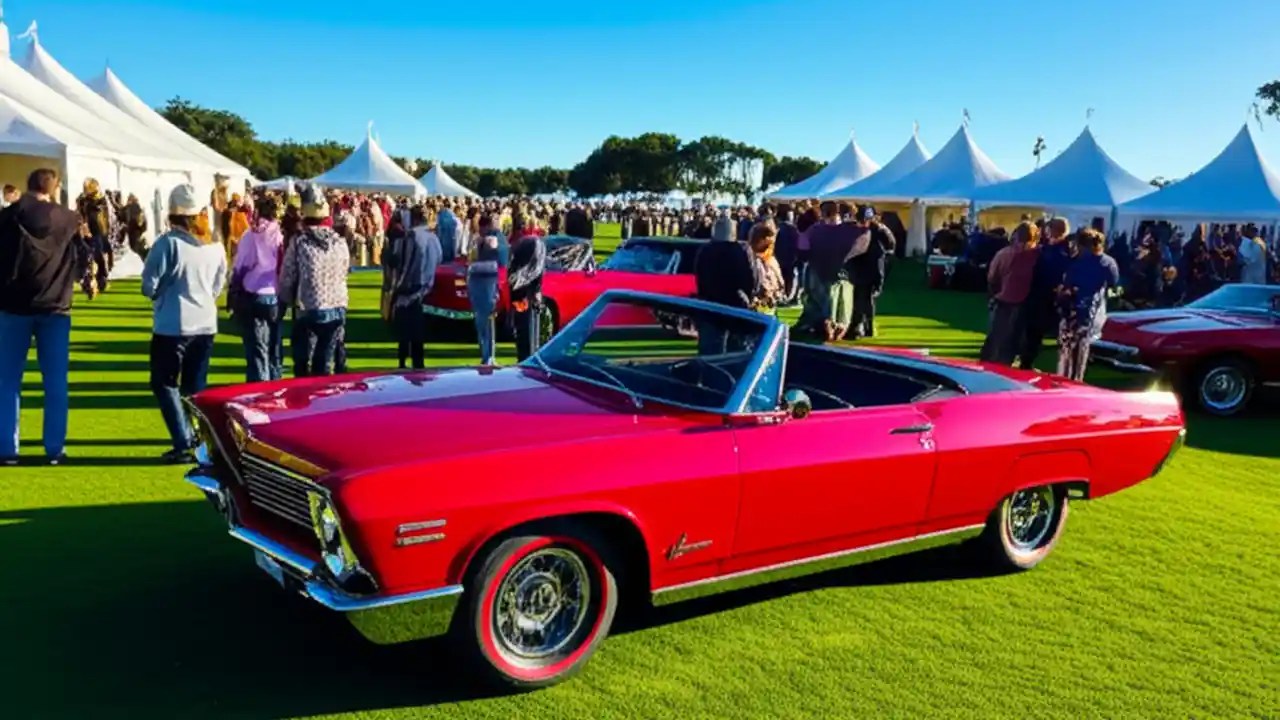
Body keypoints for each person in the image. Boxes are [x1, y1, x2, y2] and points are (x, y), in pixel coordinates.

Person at [0, 169, 84, 466]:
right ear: (54, 187)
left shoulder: (8, 217)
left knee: (8, 380)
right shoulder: (69, 219)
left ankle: (7, 447)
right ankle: (54, 447)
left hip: (14, 306)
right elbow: (82, 255)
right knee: (55, 381)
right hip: (56, 306)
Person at [141, 184, 227, 464]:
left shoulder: (167, 243)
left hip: (172, 324)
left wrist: (160, 292)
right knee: (195, 386)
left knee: (165, 383)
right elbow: (217, 285)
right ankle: (201, 440)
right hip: (205, 322)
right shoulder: (215, 244)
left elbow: (149, 285)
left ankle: (182, 440)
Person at [280, 185, 350, 377]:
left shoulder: (300, 240)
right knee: (325, 360)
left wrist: (283, 302)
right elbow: (345, 270)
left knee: (302, 361)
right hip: (337, 304)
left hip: (309, 306)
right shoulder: (339, 241)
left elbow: (288, 274)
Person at [231, 196, 285, 382]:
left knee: (257, 350)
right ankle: (276, 388)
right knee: (274, 349)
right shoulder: (279, 234)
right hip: (275, 295)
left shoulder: (251, 235)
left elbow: (241, 266)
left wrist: (234, 289)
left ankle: (259, 389)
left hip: (253, 294)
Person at [1056, 229, 1119, 382]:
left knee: (1067, 348)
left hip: (1071, 309)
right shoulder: (1108, 262)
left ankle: (1063, 377)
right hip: (1092, 310)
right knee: (1082, 347)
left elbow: (1067, 284)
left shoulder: (1076, 262)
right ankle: (1076, 379)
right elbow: (1113, 282)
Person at [388, 207, 441, 370]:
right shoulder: (433, 238)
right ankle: (418, 365)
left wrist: (397, 288)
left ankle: (404, 364)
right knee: (418, 334)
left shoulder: (411, 236)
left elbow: (404, 263)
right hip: (426, 288)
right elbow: (439, 258)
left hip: (410, 288)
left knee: (405, 333)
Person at [981, 221, 1040, 365]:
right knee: (1015, 340)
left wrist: (995, 293)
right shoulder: (1037, 255)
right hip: (1025, 302)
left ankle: (989, 365)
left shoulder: (1004, 253)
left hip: (1002, 299)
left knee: (996, 338)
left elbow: (992, 278)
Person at [1019, 217, 1072, 369]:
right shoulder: (1049, 248)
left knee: (1039, 332)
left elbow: (1055, 273)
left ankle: (1028, 362)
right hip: (1039, 295)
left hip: (1048, 297)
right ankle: (1026, 362)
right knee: (1032, 332)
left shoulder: (1061, 251)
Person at [850, 207, 896, 338]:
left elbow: (888, 249)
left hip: (867, 269)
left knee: (862, 299)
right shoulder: (879, 230)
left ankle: (862, 326)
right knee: (864, 299)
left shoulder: (875, 232)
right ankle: (864, 326)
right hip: (868, 268)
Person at [508, 229, 547, 361]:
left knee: (523, 335)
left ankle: (525, 358)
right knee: (527, 334)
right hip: (525, 302)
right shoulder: (532, 269)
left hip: (521, 300)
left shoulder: (515, 272)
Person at [468, 229, 503, 366]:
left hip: (479, 298)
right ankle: (488, 356)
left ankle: (485, 355)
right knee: (489, 326)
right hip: (488, 296)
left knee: (482, 327)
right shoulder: (493, 267)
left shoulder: (474, 268)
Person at [76, 178, 112, 297]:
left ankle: (101, 279)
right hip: (86, 231)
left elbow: (101, 213)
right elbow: (80, 214)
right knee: (86, 257)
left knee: (99, 257)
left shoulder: (100, 200)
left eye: (87, 187)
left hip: (99, 232)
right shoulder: (82, 200)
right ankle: (88, 281)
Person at [749, 223, 785, 314]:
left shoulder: (770, 259)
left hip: (769, 300)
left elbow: (778, 279)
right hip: (760, 302)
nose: (772, 244)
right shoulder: (753, 260)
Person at [122, 193, 149, 259]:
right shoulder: (137, 207)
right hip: (138, 232)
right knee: (139, 249)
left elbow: (131, 220)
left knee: (137, 248)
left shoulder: (132, 208)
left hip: (134, 232)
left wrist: (127, 228)